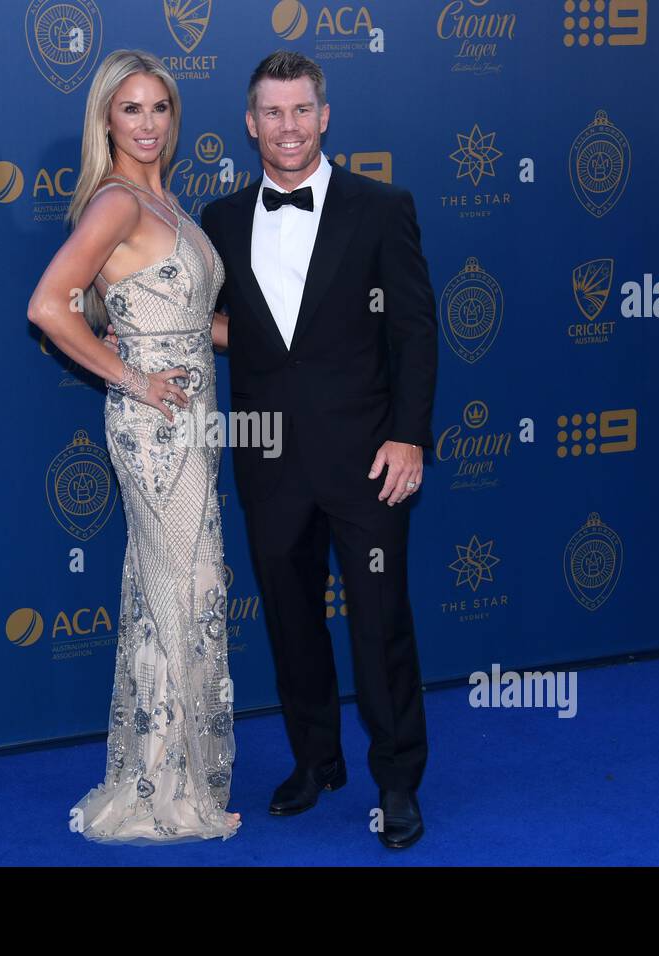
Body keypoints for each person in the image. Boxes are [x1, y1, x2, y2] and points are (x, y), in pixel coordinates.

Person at [199, 50, 438, 849]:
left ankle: (397, 779)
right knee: (291, 621)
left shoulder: (381, 206)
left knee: (379, 623)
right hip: (267, 459)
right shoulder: (222, 220)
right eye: (272, 111)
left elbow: (414, 330)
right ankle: (316, 760)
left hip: (369, 458)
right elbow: (236, 328)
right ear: (250, 122)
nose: (288, 126)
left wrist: (410, 436)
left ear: (324, 117)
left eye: (301, 110)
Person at [27, 50, 240, 845]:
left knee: (175, 591)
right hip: (154, 429)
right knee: (182, 587)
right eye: (130, 110)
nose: (147, 125)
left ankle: (166, 777)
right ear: (106, 121)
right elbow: (50, 305)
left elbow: (188, 325)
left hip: (196, 423)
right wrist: (132, 379)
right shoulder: (116, 203)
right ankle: (166, 793)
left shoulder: (168, 204)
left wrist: (282, 343)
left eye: (159, 109)